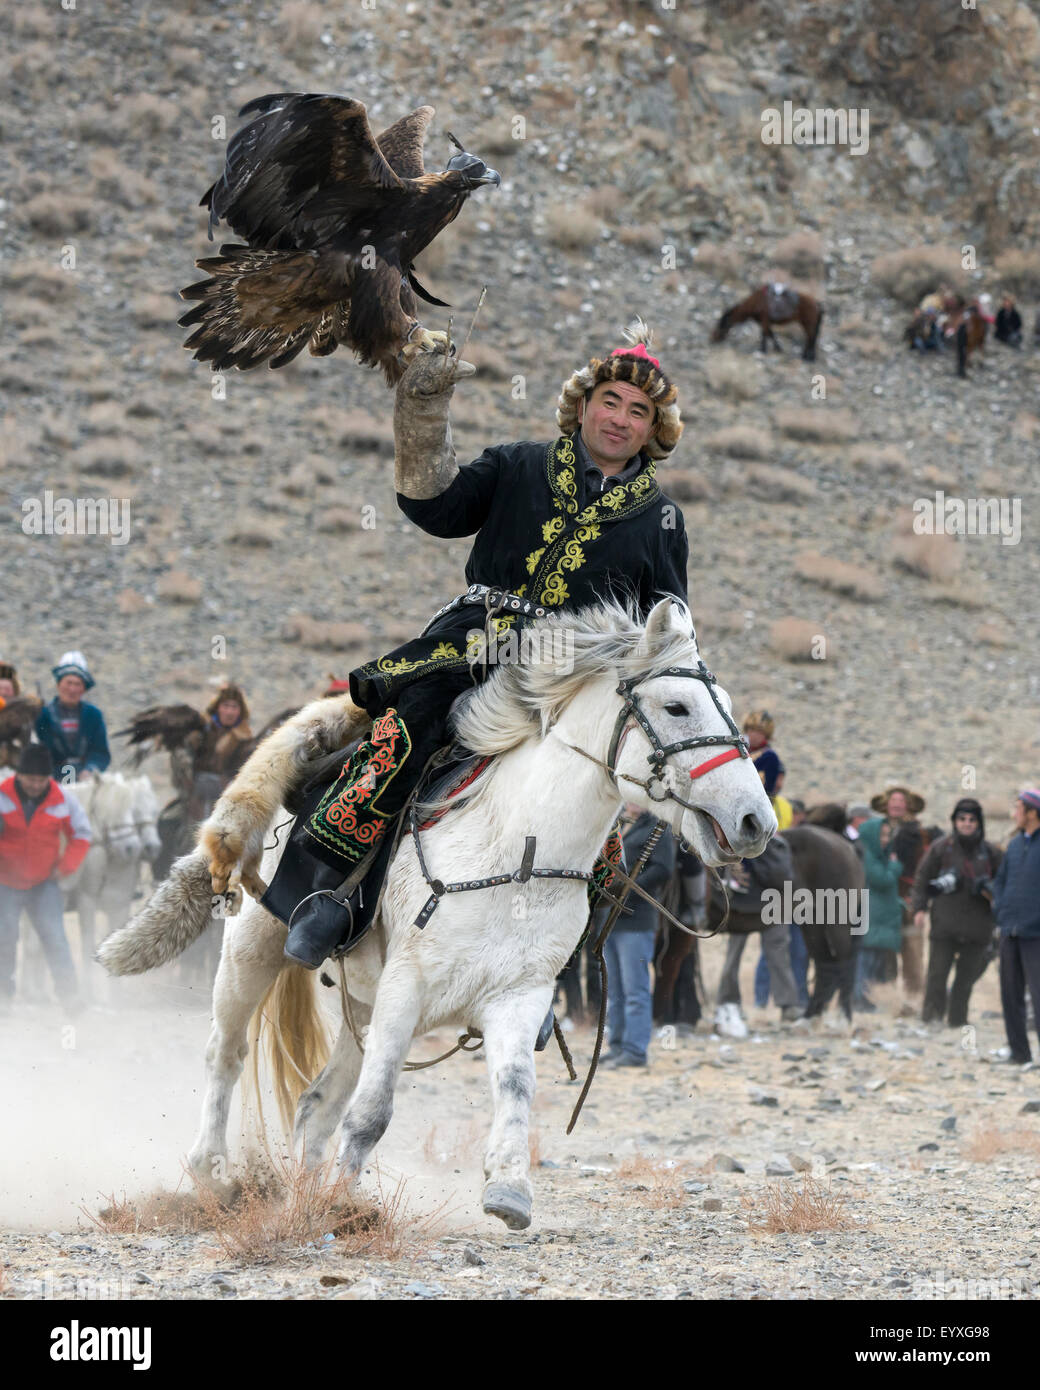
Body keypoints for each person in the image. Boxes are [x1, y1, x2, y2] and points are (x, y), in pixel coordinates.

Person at [280, 321, 689, 969]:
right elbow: (435, 507)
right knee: (414, 724)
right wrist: (421, 410)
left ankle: (540, 960)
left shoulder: (662, 519)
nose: (619, 418)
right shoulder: (519, 463)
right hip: (473, 644)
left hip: (569, 678)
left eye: (638, 410)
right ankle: (328, 891)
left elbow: (667, 623)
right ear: (582, 406)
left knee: (593, 785)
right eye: (609, 400)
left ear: (653, 429)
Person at [0, 744, 90, 1013]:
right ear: (19, 775)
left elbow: (82, 834)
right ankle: (3, 997)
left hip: (44, 882)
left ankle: (70, 997)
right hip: (5, 883)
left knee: (54, 937)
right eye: (30, 779)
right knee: (4, 937)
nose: (35, 785)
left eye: (41, 780)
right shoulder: (2, 795)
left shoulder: (62, 799)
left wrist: (65, 867)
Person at [912, 798, 1002, 1028]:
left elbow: (1005, 885)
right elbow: (922, 879)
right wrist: (919, 908)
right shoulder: (941, 848)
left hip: (978, 926)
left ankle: (957, 1019)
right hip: (945, 923)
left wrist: (990, 893)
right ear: (954, 821)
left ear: (979, 823)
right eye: (962, 819)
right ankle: (931, 1018)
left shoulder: (991, 852)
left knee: (966, 978)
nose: (967, 824)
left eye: (972, 819)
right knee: (937, 974)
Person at [599, 805, 676, 1069]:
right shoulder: (621, 825)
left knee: (635, 990)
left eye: (634, 801)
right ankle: (618, 1045)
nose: (629, 804)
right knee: (616, 991)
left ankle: (635, 1049)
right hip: (612, 919)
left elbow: (663, 868)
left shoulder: (658, 829)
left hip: (637, 919)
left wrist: (629, 889)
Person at [712, 833, 803, 1037]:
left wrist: (752, 863)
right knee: (735, 957)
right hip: (744, 908)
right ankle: (727, 1002)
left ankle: (788, 1005)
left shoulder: (776, 844)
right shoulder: (734, 841)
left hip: (772, 907)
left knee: (777, 956)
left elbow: (781, 876)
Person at [987, 790, 1040, 1066]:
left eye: (1018, 808)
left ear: (1032, 813)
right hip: (1010, 931)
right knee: (1010, 995)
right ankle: (1019, 1054)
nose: (1014, 813)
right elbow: (1000, 881)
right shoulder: (1016, 845)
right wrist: (1001, 911)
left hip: (1036, 935)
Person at [871, 785, 928, 997]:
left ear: (908, 806)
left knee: (912, 951)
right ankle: (889, 997)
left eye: (901, 801)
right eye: (892, 800)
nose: (896, 804)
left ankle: (914, 999)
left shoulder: (920, 834)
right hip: (883, 903)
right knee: (884, 953)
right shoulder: (875, 833)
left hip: (910, 901)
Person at [34, 651, 110, 781]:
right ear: (59, 684)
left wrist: (90, 769)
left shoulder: (93, 715)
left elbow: (100, 752)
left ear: (84, 688)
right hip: (50, 781)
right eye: (68, 683)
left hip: (85, 781)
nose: (72, 689)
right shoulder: (43, 715)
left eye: (77, 684)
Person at [854, 816, 904, 1011]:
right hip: (871, 919)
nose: (885, 839)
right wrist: (895, 866)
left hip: (878, 920)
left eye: (887, 835)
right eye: (881, 835)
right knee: (865, 963)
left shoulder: (878, 855)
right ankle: (859, 1000)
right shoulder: (868, 855)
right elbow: (881, 879)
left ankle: (868, 1000)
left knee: (874, 962)